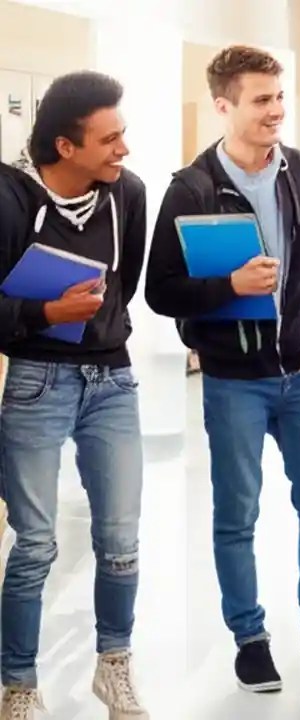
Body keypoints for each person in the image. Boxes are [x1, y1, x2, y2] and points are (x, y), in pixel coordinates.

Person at [145, 45, 300, 694]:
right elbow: (160, 290)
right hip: (232, 380)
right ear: (223, 106)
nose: (277, 110)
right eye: (261, 99)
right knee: (236, 515)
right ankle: (250, 636)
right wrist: (228, 285)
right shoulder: (190, 188)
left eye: (280, 96)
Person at [0, 71, 149, 719]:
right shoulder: (7, 198)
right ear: (67, 146)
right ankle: (18, 686)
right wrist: (43, 313)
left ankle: (113, 665)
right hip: (35, 378)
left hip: (112, 381)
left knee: (120, 540)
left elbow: (126, 286)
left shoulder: (129, 195)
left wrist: (86, 320)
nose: (124, 149)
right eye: (110, 139)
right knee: (35, 543)